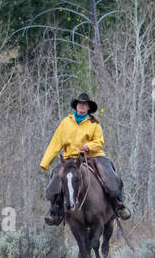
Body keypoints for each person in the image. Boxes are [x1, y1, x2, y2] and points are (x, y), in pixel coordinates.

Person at [40, 92, 129, 224]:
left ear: (88, 108)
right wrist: (45, 162)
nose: (81, 106)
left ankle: (119, 204)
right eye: (79, 104)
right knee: (55, 180)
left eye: (84, 104)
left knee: (108, 175)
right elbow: (56, 142)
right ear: (76, 106)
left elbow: (100, 141)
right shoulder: (65, 122)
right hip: (70, 158)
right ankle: (55, 211)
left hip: (92, 156)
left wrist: (89, 146)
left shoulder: (94, 124)